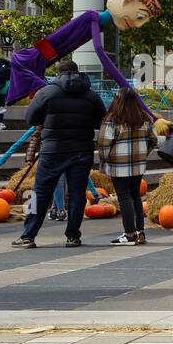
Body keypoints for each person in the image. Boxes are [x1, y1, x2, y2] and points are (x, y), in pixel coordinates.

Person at [12, 60, 106, 249]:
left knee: (39, 193)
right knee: (77, 194)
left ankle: (28, 236)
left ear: (58, 73)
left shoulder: (46, 92)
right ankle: (73, 236)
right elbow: (100, 122)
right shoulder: (91, 95)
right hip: (81, 150)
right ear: (77, 72)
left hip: (53, 150)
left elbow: (31, 118)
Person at [97, 87, 157, 245]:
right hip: (138, 165)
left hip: (118, 165)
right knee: (136, 196)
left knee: (124, 197)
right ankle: (140, 231)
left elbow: (103, 144)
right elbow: (154, 139)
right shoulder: (144, 117)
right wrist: (143, 153)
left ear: (117, 100)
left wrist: (105, 159)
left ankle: (129, 234)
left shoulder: (112, 119)